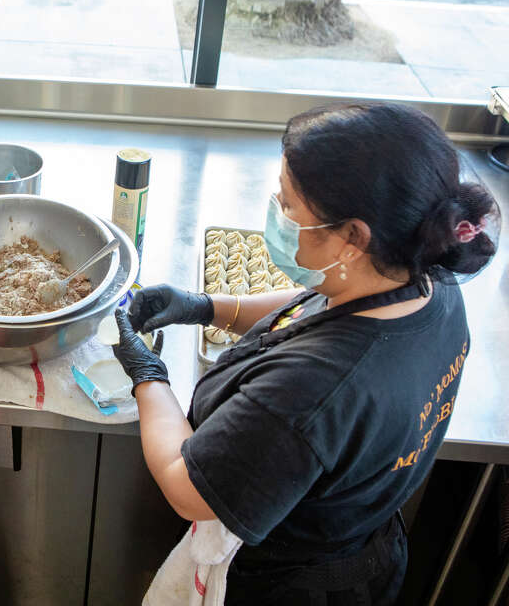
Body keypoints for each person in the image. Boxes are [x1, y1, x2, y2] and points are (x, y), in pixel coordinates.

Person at [112, 102, 500, 605]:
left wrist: (146, 374)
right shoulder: (427, 277)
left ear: (353, 237)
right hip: (364, 545)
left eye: (289, 203)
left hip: (289, 586)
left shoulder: (310, 393)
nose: (275, 208)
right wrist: (210, 308)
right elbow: (322, 305)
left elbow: (188, 489)